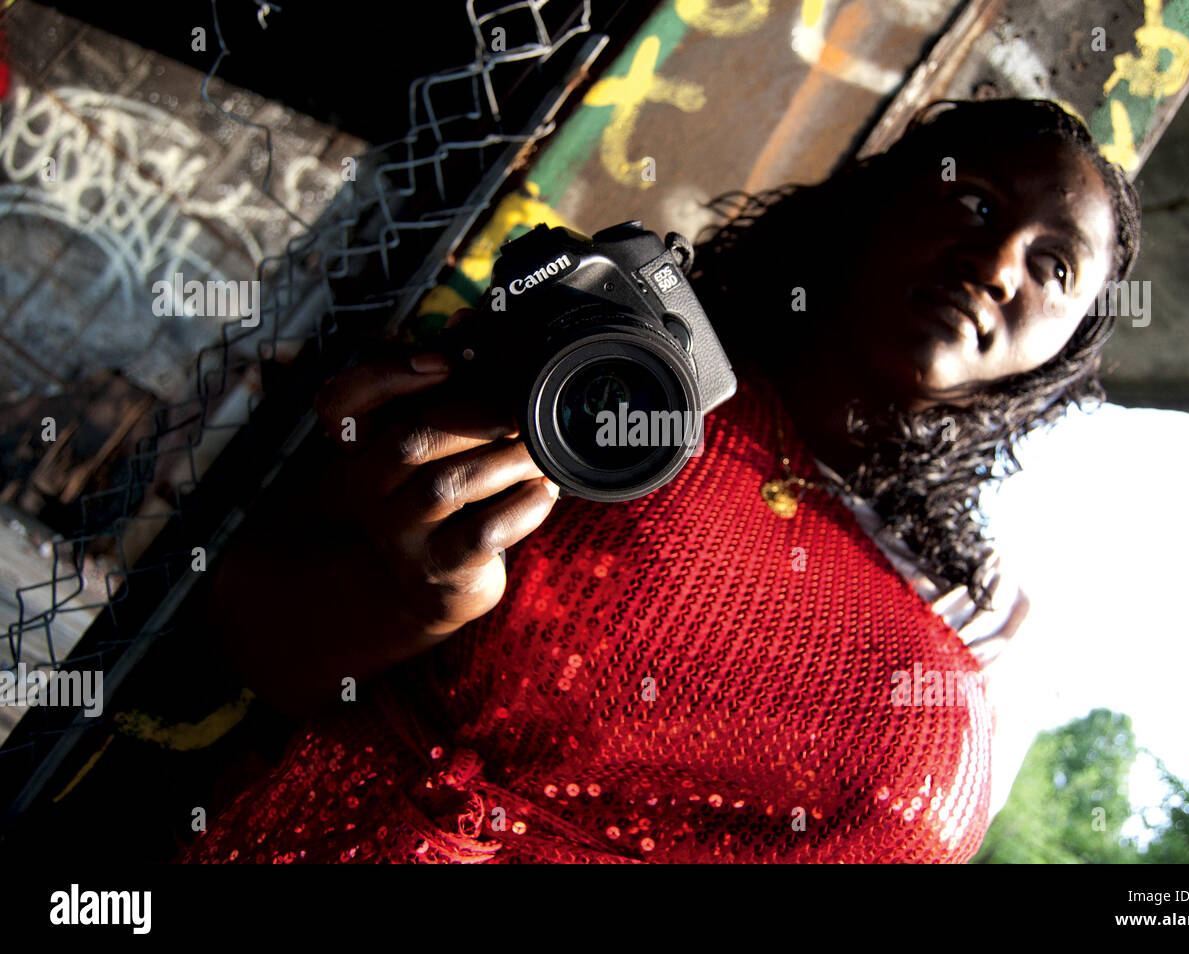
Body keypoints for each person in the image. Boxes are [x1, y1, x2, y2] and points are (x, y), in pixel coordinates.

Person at [183, 98, 1140, 863]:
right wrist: (412, 599)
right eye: (974, 202)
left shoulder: (984, 624)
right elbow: (256, 642)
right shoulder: (599, 379)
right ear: (879, 202)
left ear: (1063, 354)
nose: (1000, 263)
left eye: (1056, 266)